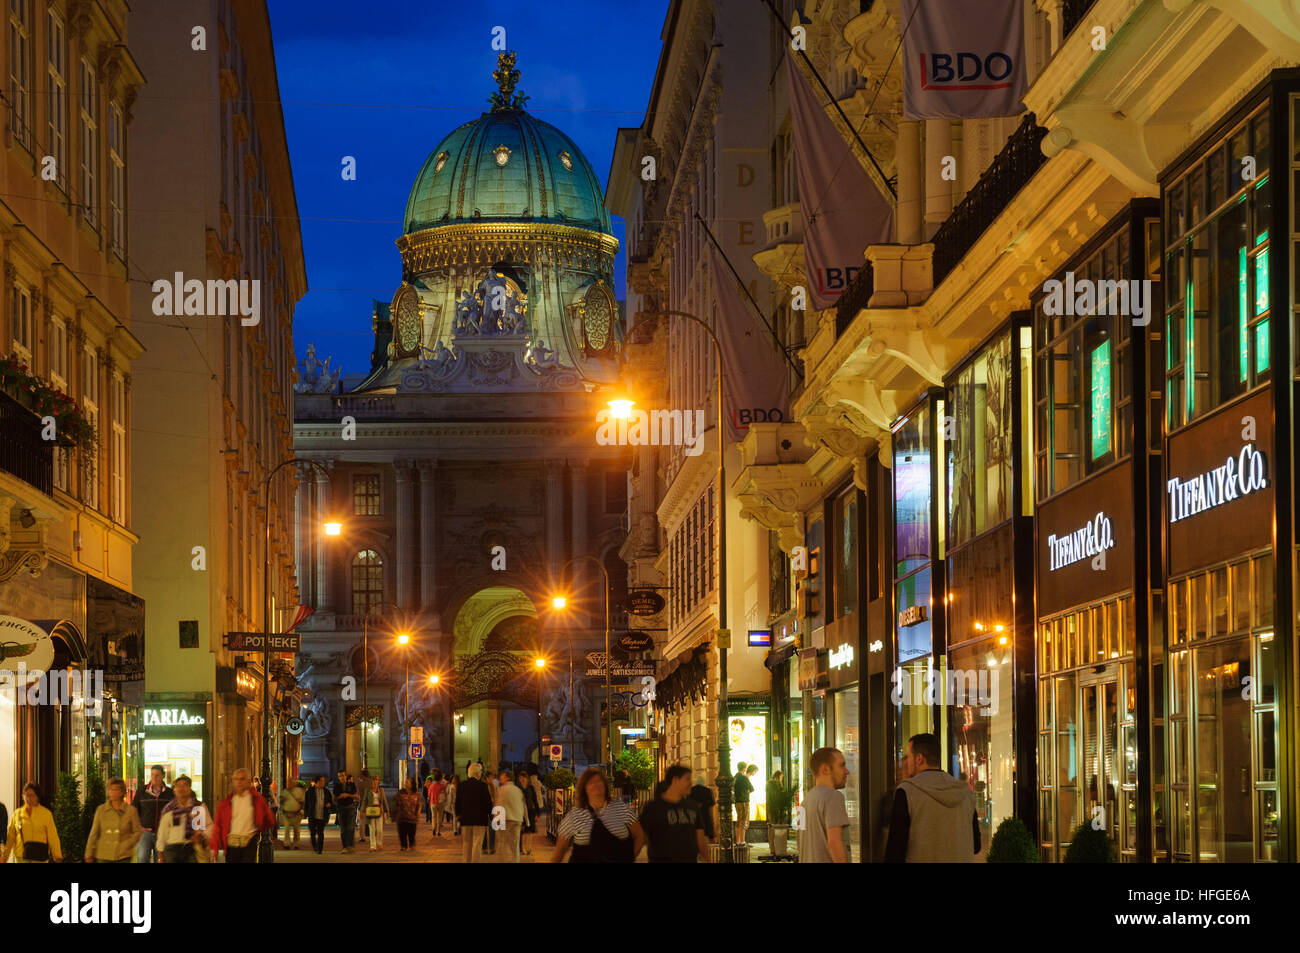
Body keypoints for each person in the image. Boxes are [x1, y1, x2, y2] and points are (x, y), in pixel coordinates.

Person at [885, 733, 980, 863]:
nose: (907, 761)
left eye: (909, 756)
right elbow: (976, 845)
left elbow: (895, 851)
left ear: (919, 759)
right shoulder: (965, 793)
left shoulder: (907, 792)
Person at [551, 767, 644, 863]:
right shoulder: (575, 815)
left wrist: (630, 858)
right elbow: (560, 848)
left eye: (599, 781)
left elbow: (639, 835)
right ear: (584, 789)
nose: (596, 784)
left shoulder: (621, 808)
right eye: (591, 782)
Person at [638, 764, 710, 863]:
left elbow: (700, 840)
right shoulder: (653, 808)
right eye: (687, 779)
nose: (691, 783)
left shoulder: (692, 807)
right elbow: (641, 837)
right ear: (675, 780)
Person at [210, 768, 275, 863]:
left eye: (242, 779)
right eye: (236, 779)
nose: (239, 782)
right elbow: (217, 827)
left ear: (249, 782)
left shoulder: (257, 800)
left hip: (249, 842)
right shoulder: (226, 803)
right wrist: (214, 848)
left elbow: (270, 819)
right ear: (232, 782)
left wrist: (258, 829)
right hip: (231, 844)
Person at [803, 747, 851, 863]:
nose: (847, 771)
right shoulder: (834, 797)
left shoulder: (804, 802)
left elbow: (802, 847)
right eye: (842, 765)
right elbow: (834, 842)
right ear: (825, 769)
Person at [84, 777, 142, 863]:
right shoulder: (101, 810)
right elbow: (94, 833)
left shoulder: (131, 811)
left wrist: (126, 844)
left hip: (123, 855)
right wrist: (89, 852)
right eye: (110, 789)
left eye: (115, 790)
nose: (112, 792)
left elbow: (137, 832)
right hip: (104, 854)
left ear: (122, 792)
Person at [156, 776, 212, 864]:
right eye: (178, 786)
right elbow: (162, 834)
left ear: (190, 788)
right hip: (172, 849)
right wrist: (161, 856)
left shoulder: (198, 806)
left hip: (190, 848)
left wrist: (201, 835)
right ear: (174, 790)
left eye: (185, 785)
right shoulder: (168, 809)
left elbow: (209, 826)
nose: (181, 788)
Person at [1, 782, 61, 863]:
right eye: (26, 795)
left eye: (32, 795)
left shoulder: (46, 814)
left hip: (39, 856)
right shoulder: (17, 813)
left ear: (38, 797)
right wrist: (4, 856)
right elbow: (10, 837)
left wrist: (57, 855)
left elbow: (52, 836)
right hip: (21, 856)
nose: (29, 798)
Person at [135, 765, 173, 864]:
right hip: (145, 833)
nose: (154, 777)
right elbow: (134, 809)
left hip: (163, 834)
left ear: (163, 776)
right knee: (142, 859)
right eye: (152, 775)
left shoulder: (170, 793)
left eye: (157, 775)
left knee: (160, 860)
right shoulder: (142, 791)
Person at [456, 763, 493, 863]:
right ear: (477, 773)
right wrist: (491, 817)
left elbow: (457, 803)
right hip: (480, 820)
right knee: (477, 844)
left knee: (466, 843)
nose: (481, 774)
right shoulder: (483, 786)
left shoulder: (461, 785)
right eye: (480, 772)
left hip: (466, 819)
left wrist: (458, 816)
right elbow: (488, 803)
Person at [496, 769, 528, 863]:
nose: (500, 778)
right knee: (515, 845)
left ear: (507, 778)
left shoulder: (501, 790)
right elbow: (523, 805)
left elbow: (499, 805)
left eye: (502, 776)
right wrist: (526, 821)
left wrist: (496, 822)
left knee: (502, 844)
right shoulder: (518, 790)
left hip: (505, 819)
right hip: (517, 820)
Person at [304, 776, 334, 855]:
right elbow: (306, 803)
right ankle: (315, 846)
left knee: (321, 833)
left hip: (322, 815)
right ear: (317, 782)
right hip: (313, 815)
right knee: (313, 832)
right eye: (321, 781)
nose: (323, 782)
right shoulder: (310, 791)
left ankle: (320, 849)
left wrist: (329, 804)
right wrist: (307, 812)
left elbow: (331, 801)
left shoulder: (326, 791)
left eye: (324, 781)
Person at [361, 775, 390, 851]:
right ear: (371, 781)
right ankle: (373, 846)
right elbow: (364, 801)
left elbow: (384, 801)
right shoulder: (367, 790)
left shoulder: (381, 790)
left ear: (378, 782)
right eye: (373, 780)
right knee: (372, 829)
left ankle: (379, 843)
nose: (374, 781)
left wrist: (387, 811)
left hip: (379, 811)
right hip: (370, 811)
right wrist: (362, 810)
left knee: (379, 829)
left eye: (376, 780)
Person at [332, 769, 358, 853]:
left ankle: (351, 846)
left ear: (346, 776)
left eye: (343, 775)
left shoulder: (351, 785)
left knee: (350, 827)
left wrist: (347, 795)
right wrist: (340, 797)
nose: (341, 777)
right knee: (343, 829)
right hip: (341, 808)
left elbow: (356, 796)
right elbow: (335, 798)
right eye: (340, 776)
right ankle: (345, 847)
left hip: (350, 807)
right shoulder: (337, 786)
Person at [394, 777, 422, 851]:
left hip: (412, 818)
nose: (406, 783)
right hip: (402, 817)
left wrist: (418, 814)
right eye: (406, 782)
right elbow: (396, 802)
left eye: (408, 782)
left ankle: (411, 844)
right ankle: (403, 846)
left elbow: (419, 805)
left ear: (412, 784)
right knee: (402, 833)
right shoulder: (400, 793)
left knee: (411, 833)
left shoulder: (416, 795)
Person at [732, 763, 757, 843]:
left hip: (737, 801)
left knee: (739, 819)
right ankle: (742, 840)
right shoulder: (743, 778)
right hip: (743, 800)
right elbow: (752, 788)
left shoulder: (735, 777)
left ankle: (738, 840)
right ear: (744, 768)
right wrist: (747, 791)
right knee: (744, 820)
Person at [279, 779, 306, 850]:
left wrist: (297, 812)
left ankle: (296, 844)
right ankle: (286, 843)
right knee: (287, 829)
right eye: (288, 783)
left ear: (294, 784)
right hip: (286, 813)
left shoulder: (299, 791)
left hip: (296, 814)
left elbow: (302, 803)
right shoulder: (285, 791)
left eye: (291, 783)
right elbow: (281, 801)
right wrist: (282, 800)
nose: (289, 784)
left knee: (296, 830)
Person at [520, 769, 540, 855]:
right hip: (521, 812)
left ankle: (529, 848)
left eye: (524, 778)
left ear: (527, 779)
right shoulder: (518, 788)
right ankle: (522, 848)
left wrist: (537, 814)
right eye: (521, 778)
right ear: (519, 779)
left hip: (530, 811)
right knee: (523, 831)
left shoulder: (531, 788)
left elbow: (535, 801)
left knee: (530, 831)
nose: (523, 780)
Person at [428, 772, 446, 837]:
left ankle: (433, 828)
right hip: (440, 803)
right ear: (440, 778)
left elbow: (429, 794)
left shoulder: (431, 786)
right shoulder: (442, 786)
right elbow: (444, 794)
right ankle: (438, 831)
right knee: (439, 817)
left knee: (433, 817)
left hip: (433, 803)